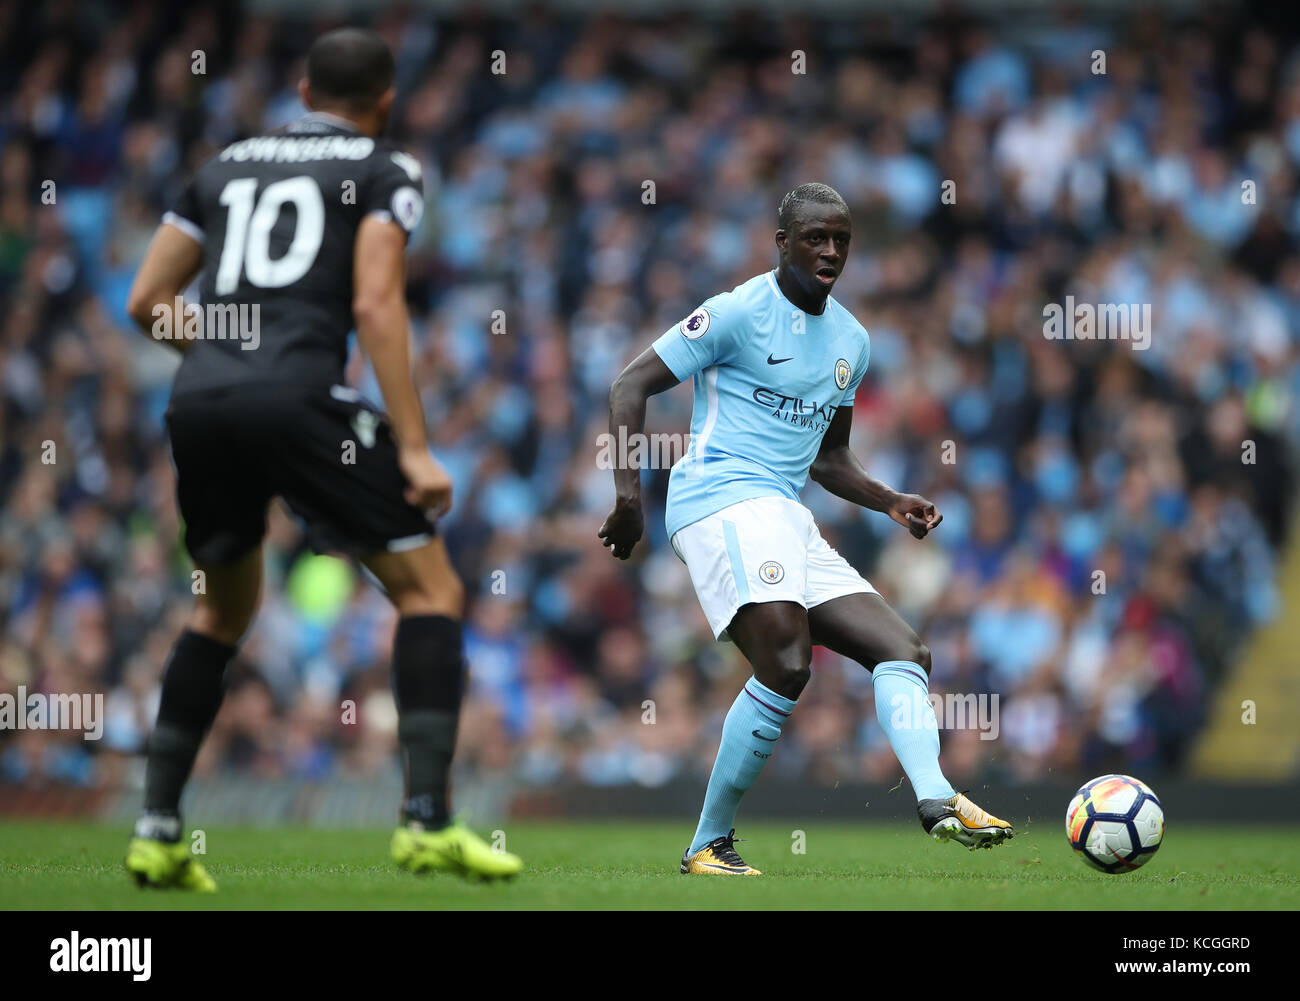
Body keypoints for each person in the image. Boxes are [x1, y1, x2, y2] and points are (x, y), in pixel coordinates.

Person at [123, 27, 522, 889]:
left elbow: (146, 299)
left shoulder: (223, 164)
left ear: (302, 91)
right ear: (385, 101)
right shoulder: (388, 168)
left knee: (220, 613)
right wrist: (414, 446)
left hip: (201, 402)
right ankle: (426, 820)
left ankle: (156, 828)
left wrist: (228, 347)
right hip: (302, 401)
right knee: (432, 590)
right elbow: (377, 300)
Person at [599, 182, 1013, 875]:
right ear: (782, 242)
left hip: (786, 512)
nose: (830, 251)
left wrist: (889, 499)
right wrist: (627, 495)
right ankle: (708, 841)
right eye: (816, 237)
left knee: (903, 650)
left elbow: (829, 457)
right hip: (719, 498)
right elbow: (628, 385)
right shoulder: (737, 312)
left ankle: (937, 798)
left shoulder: (852, 339)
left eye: (841, 239)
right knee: (787, 662)